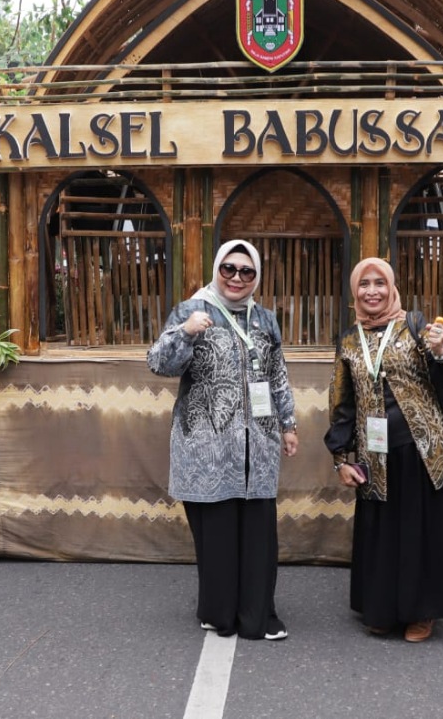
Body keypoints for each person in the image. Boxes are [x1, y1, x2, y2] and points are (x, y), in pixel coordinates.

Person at [147, 240, 298, 641]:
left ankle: (258, 614)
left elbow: (277, 374)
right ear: (217, 269)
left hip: (258, 444)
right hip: (206, 444)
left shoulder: (264, 318)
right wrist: (186, 332)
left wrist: (289, 424)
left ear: (257, 277)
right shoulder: (191, 310)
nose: (236, 277)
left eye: (246, 271)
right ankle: (218, 612)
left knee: (258, 533)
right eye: (229, 269)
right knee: (216, 535)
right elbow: (159, 363)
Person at [324, 258, 443, 643]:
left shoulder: (416, 325)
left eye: (380, 283)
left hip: (423, 450)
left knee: (423, 531)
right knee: (382, 534)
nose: (372, 291)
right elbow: (341, 403)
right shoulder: (349, 341)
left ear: (392, 288)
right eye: (364, 284)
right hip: (375, 456)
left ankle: (423, 612)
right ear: (354, 292)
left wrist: (440, 351)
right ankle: (384, 609)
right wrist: (341, 457)